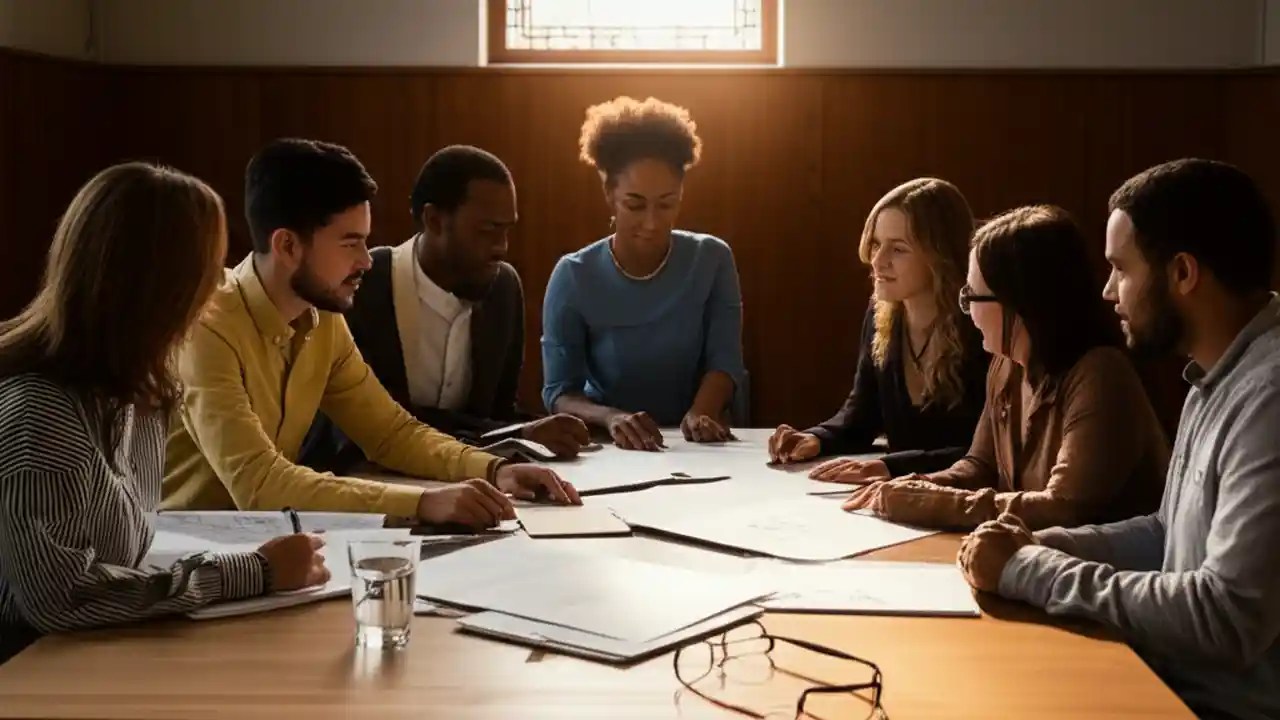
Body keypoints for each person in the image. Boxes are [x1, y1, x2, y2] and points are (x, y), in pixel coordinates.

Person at [960, 159, 1280, 719]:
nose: (1108, 291)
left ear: (1182, 274)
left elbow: (1226, 617)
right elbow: (1166, 536)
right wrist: (1046, 544)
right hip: (1163, 682)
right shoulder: (1216, 374)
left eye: (1121, 269)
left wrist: (1028, 569)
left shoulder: (1269, 399)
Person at [0, 163, 327, 662]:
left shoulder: (141, 394)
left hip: (94, 656)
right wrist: (254, 572)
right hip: (28, 671)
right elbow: (61, 599)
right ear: (159, 285)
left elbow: (118, 563)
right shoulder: (39, 411)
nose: (218, 287)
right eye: (209, 268)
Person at [163, 139, 578, 528]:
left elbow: (391, 433)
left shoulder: (323, 317)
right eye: (350, 243)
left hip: (272, 547)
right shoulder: (208, 325)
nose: (366, 261)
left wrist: (495, 468)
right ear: (288, 246)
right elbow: (259, 486)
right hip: (186, 559)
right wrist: (422, 502)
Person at [844, 205, 1168, 531]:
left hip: (1105, 570)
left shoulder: (1100, 374)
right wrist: (917, 485)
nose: (967, 312)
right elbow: (979, 465)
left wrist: (927, 501)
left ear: (1021, 302)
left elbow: (1064, 507)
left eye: (972, 297)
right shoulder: (1005, 365)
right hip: (1039, 560)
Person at [300, 145, 589, 471]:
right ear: (434, 220)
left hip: (473, 486)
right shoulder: (361, 284)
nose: (501, 248)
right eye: (487, 231)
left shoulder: (503, 288)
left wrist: (542, 431)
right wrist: (512, 433)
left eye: (507, 230)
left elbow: (498, 413)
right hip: (359, 487)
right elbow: (373, 423)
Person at [541, 96, 747, 451]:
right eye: (635, 205)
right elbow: (559, 393)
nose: (652, 223)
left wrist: (701, 413)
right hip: (611, 445)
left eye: (666, 204)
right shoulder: (573, 275)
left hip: (699, 445)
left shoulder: (711, 258)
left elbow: (725, 362)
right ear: (609, 194)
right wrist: (611, 417)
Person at [767, 178, 989, 483]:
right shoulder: (882, 313)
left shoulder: (980, 327)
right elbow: (861, 416)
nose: (878, 261)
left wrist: (891, 466)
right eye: (876, 244)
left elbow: (986, 453)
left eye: (898, 249)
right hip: (898, 497)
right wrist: (816, 438)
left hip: (964, 497)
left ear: (940, 256)